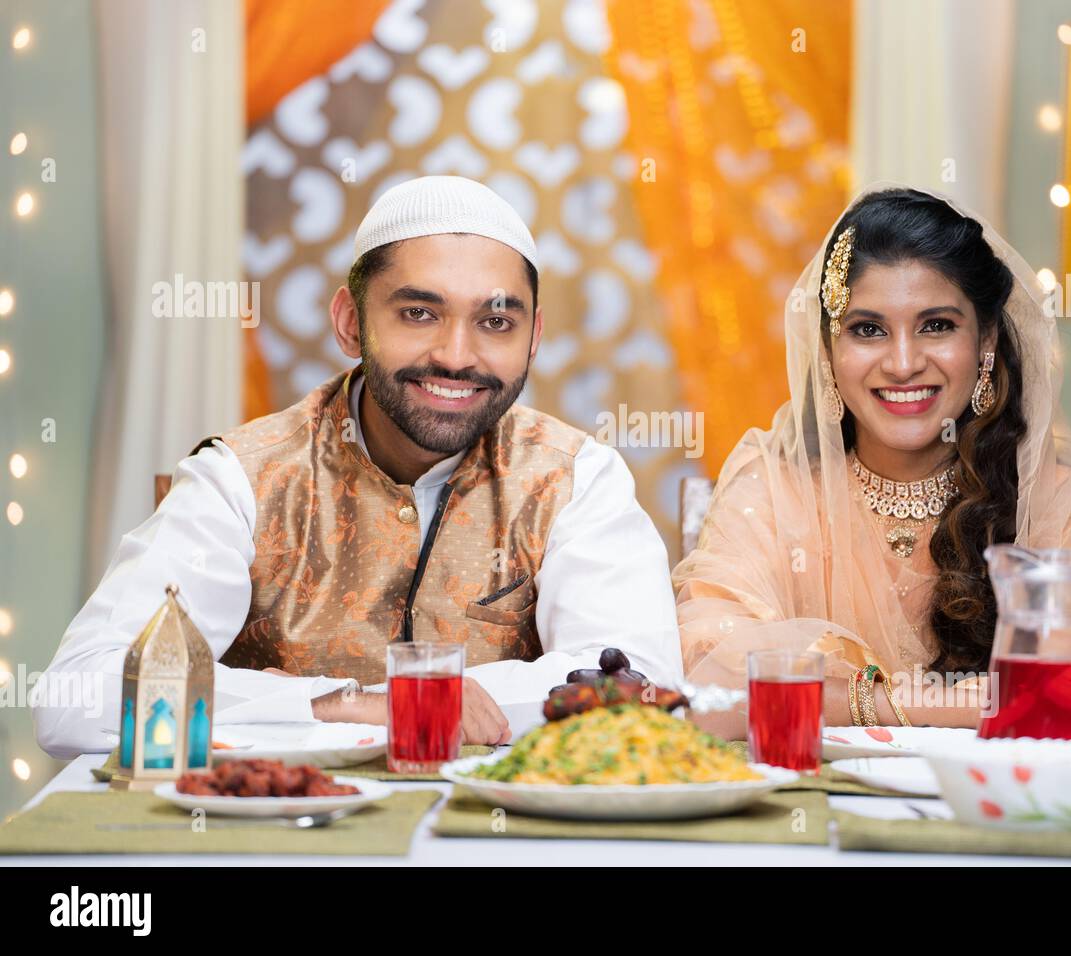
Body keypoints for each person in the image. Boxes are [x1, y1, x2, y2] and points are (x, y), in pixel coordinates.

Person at [37, 175, 683, 758]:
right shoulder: (242, 479)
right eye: (419, 313)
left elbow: (638, 683)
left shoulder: (575, 478)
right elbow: (75, 697)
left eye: (494, 321)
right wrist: (331, 704)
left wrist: (414, 698)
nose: (457, 355)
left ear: (533, 338)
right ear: (350, 323)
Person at [672, 184, 1071, 811]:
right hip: (815, 823)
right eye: (868, 329)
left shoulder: (1051, 498)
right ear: (828, 354)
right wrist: (925, 702)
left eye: (936, 326)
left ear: (985, 347)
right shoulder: (772, 491)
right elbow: (711, 693)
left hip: (1014, 824)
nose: (902, 363)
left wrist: (835, 697)